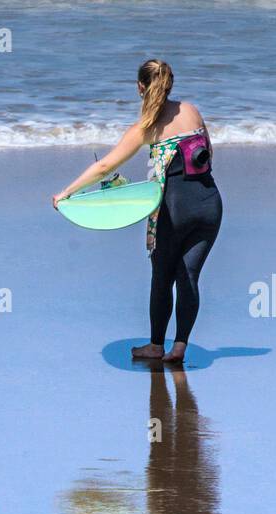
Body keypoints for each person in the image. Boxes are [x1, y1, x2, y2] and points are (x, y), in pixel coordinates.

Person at [52, 60, 222, 364]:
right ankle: (179, 348)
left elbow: (104, 166)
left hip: (174, 210)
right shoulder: (192, 110)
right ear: (170, 84)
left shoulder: (146, 128)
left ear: (140, 88)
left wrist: (67, 192)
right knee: (189, 277)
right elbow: (209, 150)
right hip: (209, 204)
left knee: (162, 276)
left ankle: (157, 346)